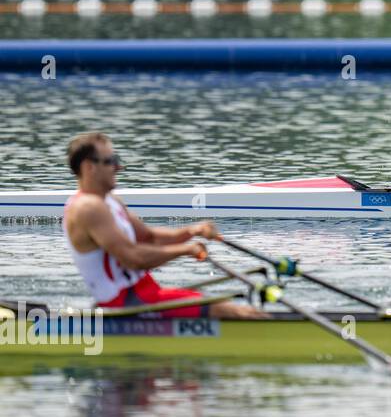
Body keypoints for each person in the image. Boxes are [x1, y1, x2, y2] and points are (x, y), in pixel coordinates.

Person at [62, 132, 264, 318]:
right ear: (89, 167)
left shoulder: (111, 201)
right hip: (123, 304)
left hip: (144, 292)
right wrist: (185, 250)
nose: (118, 167)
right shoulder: (88, 208)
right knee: (229, 311)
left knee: (233, 307)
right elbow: (133, 258)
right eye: (111, 161)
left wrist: (192, 230)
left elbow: (150, 237)